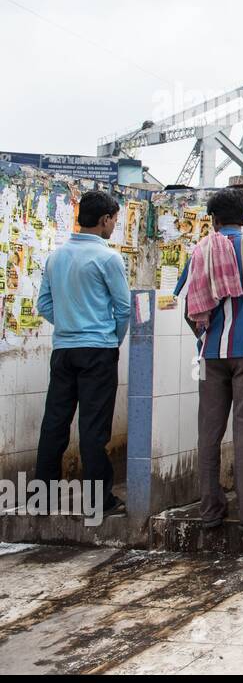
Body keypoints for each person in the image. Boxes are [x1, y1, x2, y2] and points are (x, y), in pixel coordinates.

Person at [177, 188, 243, 533]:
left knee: (208, 433)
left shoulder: (199, 251)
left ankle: (210, 510)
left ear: (214, 219)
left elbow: (189, 308)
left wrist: (205, 337)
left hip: (209, 355)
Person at [34, 190, 131, 516]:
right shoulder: (108, 258)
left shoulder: (56, 257)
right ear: (105, 219)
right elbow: (123, 308)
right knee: (93, 428)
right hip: (97, 350)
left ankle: (41, 498)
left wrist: (68, 323)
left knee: (54, 424)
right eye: (114, 221)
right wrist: (110, 340)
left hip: (63, 350)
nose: (113, 227)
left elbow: (43, 304)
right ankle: (97, 502)